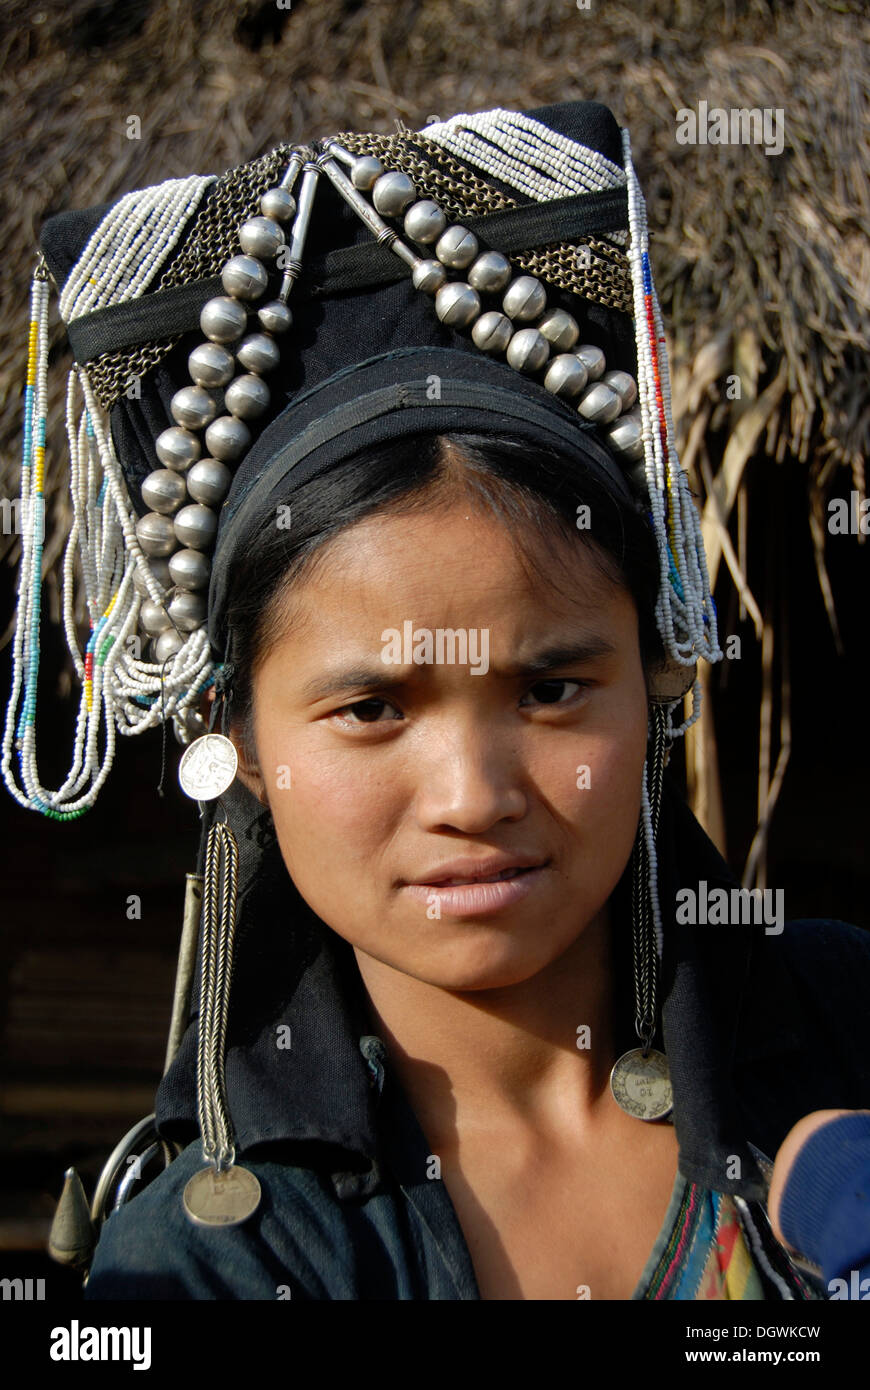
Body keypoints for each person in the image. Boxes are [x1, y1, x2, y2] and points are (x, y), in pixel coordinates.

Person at [7, 99, 870, 1300]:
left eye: (554, 686)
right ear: (240, 741)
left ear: (661, 678)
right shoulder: (208, 1270)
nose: (474, 796)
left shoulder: (846, 1034)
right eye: (370, 708)